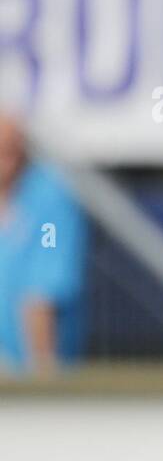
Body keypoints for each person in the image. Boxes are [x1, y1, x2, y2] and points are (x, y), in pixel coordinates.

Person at [0, 114, 88, 377]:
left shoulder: (50, 196)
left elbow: (40, 297)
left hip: (32, 378)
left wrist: (41, 382)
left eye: (8, 152)